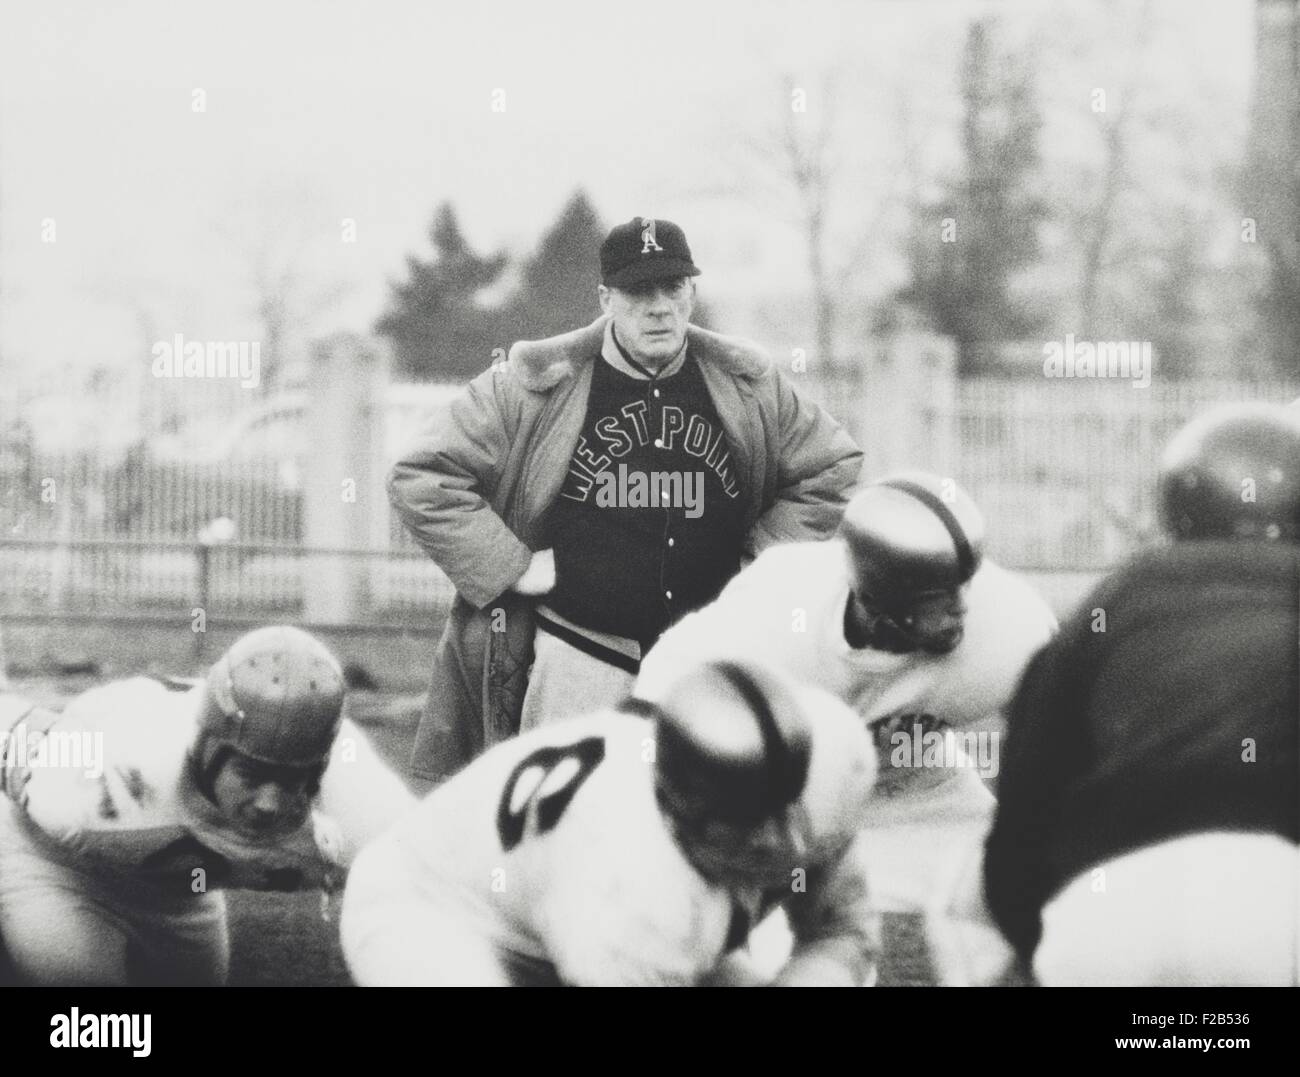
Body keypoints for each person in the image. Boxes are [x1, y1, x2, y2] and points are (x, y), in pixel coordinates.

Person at [388, 216, 862, 787]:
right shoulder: (533, 384)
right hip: (578, 656)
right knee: (565, 830)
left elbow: (831, 464)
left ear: (692, 294)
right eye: (640, 291)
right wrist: (509, 565)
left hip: (708, 660)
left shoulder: (746, 385)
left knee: (705, 833)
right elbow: (421, 474)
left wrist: (762, 559)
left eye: (674, 288)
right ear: (606, 298)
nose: (659, 307)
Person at [636, 471, 1056, 920]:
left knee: (1037, 884)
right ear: (878, 604)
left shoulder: (1013, 624)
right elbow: (656, 706)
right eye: (939, 596)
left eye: (964, 581)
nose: (963, 606)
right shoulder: (774, 611)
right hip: (794, 804)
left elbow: (1061, 752)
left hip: (927, 796)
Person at [977, 403, 1300, 986]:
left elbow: (1025, 804)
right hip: (1281, 910)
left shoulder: (1117, 598)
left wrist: (1035, 951)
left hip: (1109, 913)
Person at [341, 659, 878, 987]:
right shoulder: (635, 881)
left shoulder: (816, 780)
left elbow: (843, 931)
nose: (771, 844)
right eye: (744, 823)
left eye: (784, 818)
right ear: (680, 807)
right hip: (434, 911)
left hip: (575, 916)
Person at [0, 626, 414, 985]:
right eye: (250, 776)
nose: (269, 804)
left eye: (291, 780)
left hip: (180, 895)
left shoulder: (364, 810)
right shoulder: (112, 769)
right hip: (58, 868)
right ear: (205, 750)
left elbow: (448, 884)